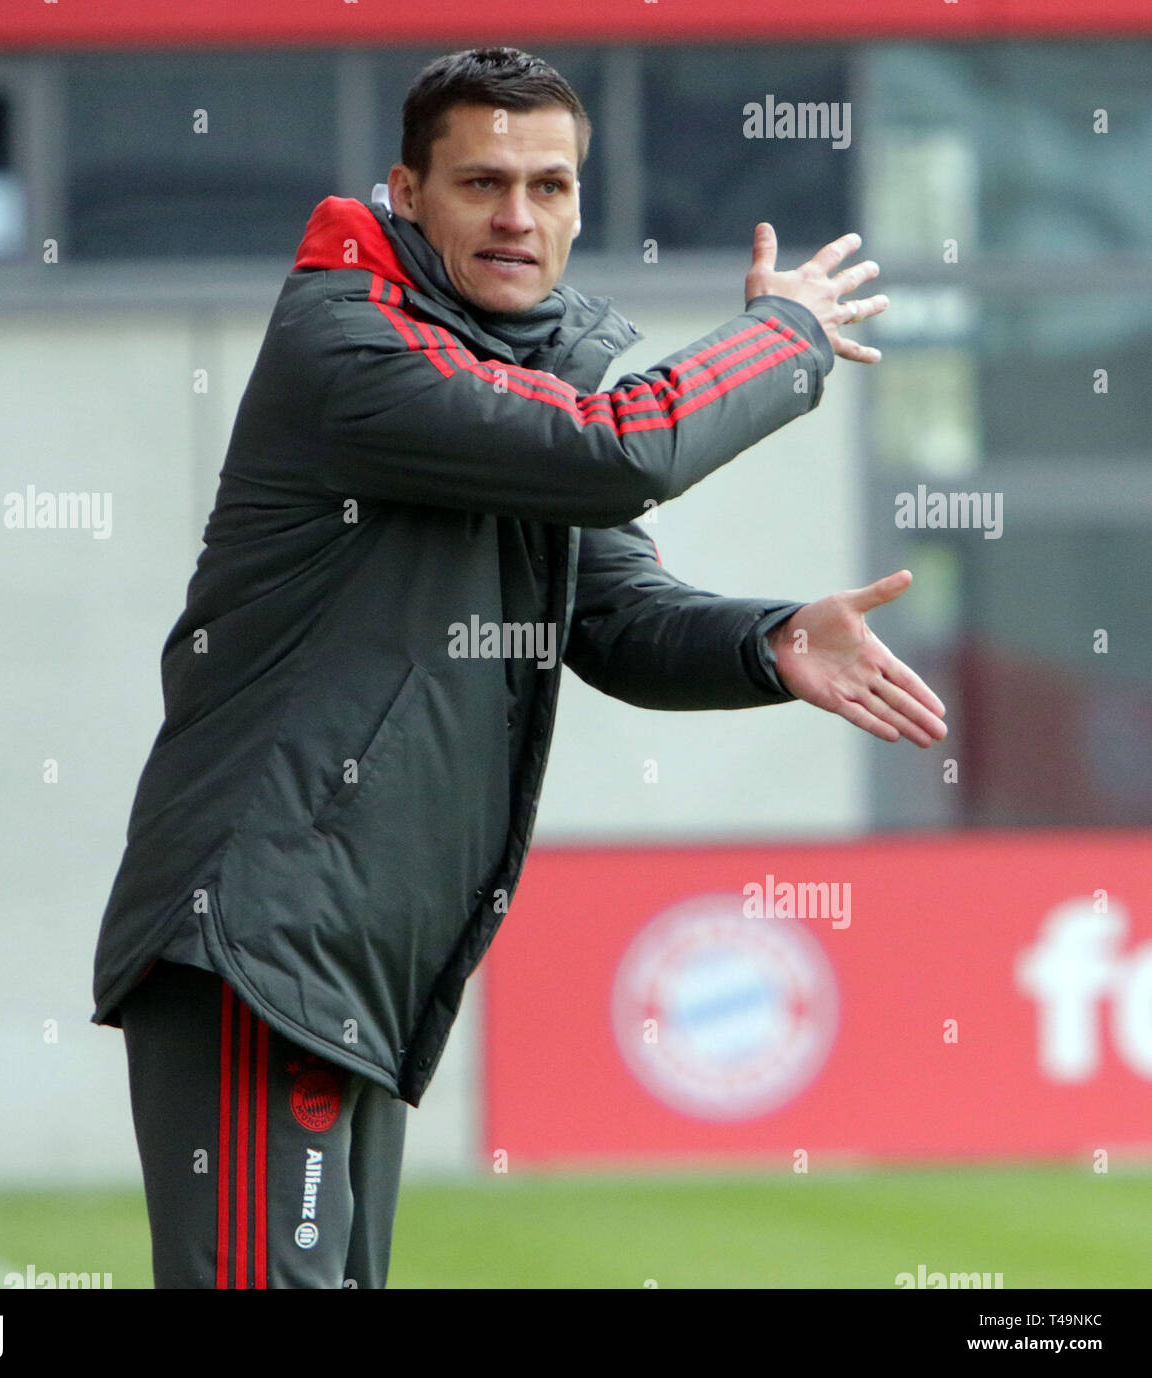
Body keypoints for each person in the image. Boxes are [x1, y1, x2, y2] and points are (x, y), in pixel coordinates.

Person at [91, 45, 946, 1289]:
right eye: (482, 182)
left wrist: (764, 640)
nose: (516, 215)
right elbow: (620, 452)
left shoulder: (511, 372)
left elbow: (614, 611)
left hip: (346, 946)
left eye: (549, 186)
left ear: (579, 206)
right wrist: (784, 340)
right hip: (261, 930)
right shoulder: (352, 348)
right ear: (407, 191)